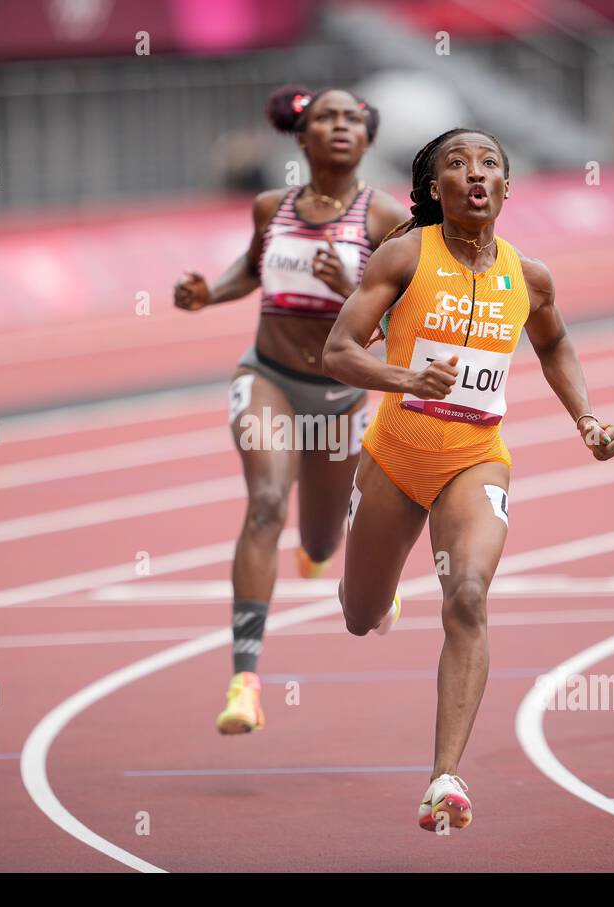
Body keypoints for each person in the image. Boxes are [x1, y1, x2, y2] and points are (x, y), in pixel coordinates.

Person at [323, 128, 614, 830]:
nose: (475, 173)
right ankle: (374, 593)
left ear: (508, 187)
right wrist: (405, 376)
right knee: (360, 615)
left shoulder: (531, 276)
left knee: (466, 595)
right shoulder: (404, 256)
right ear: (434, 190)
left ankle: (445, 777)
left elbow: (554, 343)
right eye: (456, 164)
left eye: (490, 163)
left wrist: (586, 417)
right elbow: (338, 351)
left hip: (474, 458)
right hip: (396, 456)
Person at [174, 84, 408, 735]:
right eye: (326, 117)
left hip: (339, 397)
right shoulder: (269, 208)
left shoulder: (386, 221)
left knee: (320, 540)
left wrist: (352, 291)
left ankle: (324, 553)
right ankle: (244, 680)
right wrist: (207, 293)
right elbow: (250, 271)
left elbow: (403, 330)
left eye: (352, 118)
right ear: (301, 137)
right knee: (267, 502)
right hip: (269, 378)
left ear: (367, 138)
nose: (339, 125)